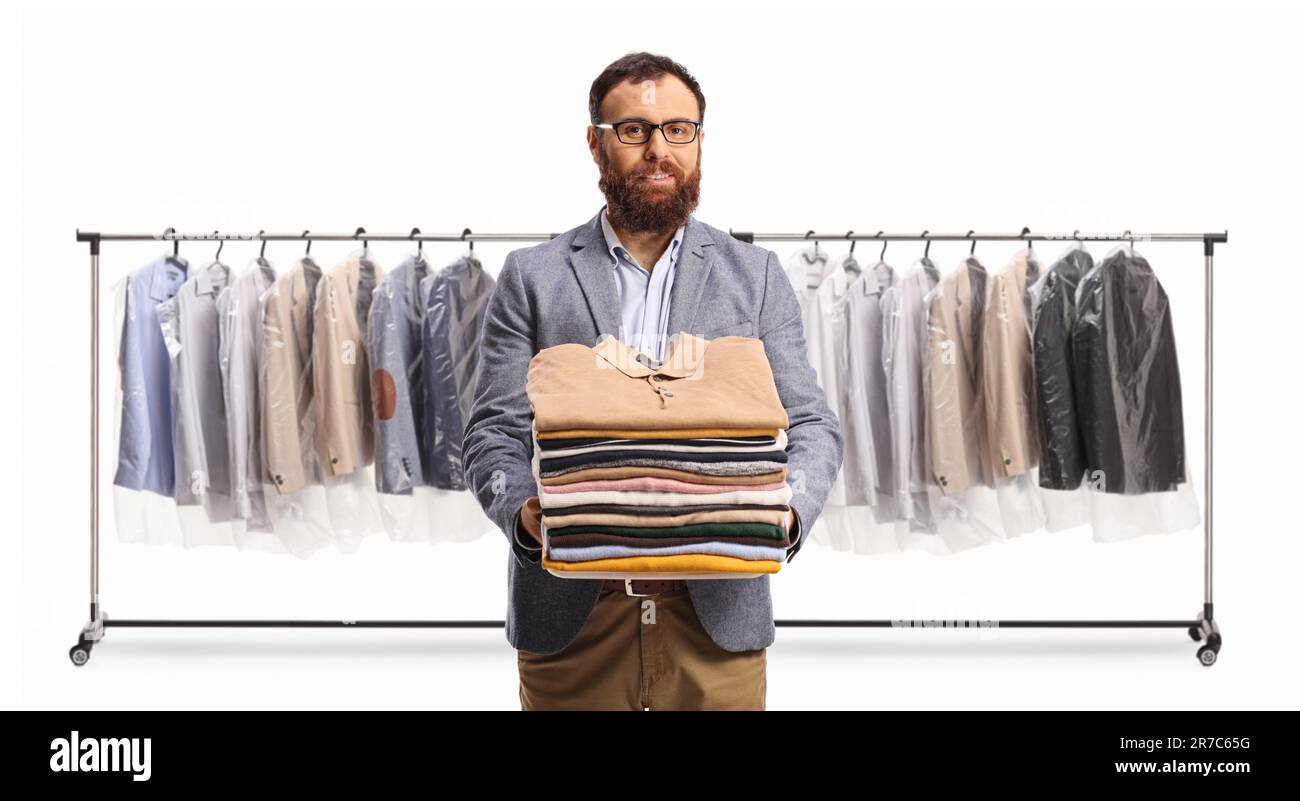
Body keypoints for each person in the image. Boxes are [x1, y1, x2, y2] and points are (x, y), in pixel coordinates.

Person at [461, 51, 842, 710]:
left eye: (678, 129)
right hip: (571, 617)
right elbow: (491, 431)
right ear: (595, 142)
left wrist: (786, 514)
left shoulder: (755, 275)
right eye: (633, 130)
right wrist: (526, 515)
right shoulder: (533, 275)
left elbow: (810, 422)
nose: (658, 149)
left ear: (699, 140)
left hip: (717, 618)